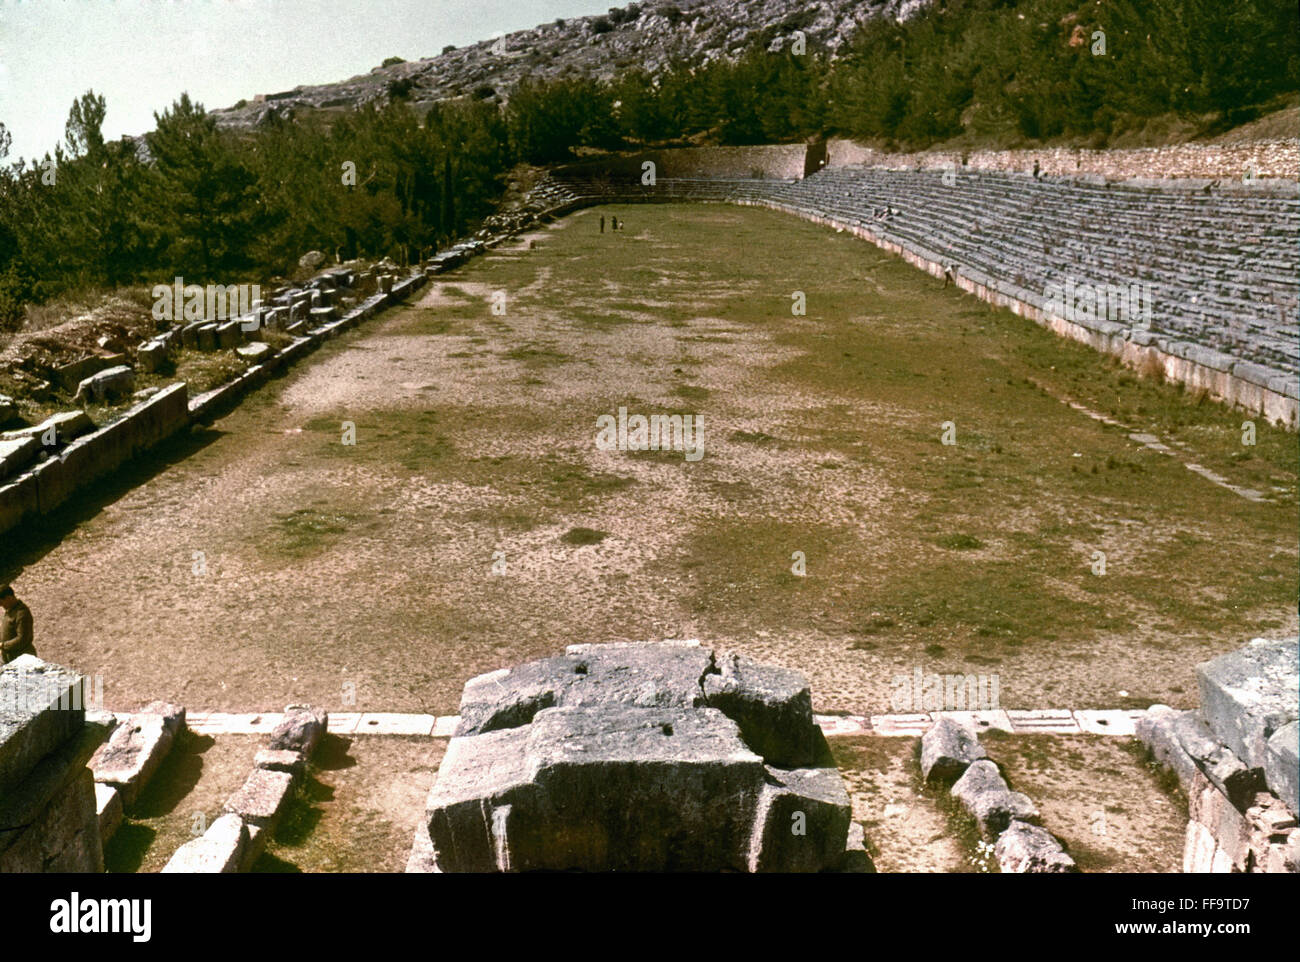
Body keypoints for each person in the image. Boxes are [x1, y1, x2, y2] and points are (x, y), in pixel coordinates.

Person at [0, 584, 35, 664]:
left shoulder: (22, 613)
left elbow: (22, 639)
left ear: (9, 598)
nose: (1, 606)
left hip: (21, 658)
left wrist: (3, 645)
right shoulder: (10, 610)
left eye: (2, 603)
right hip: (9, 657)